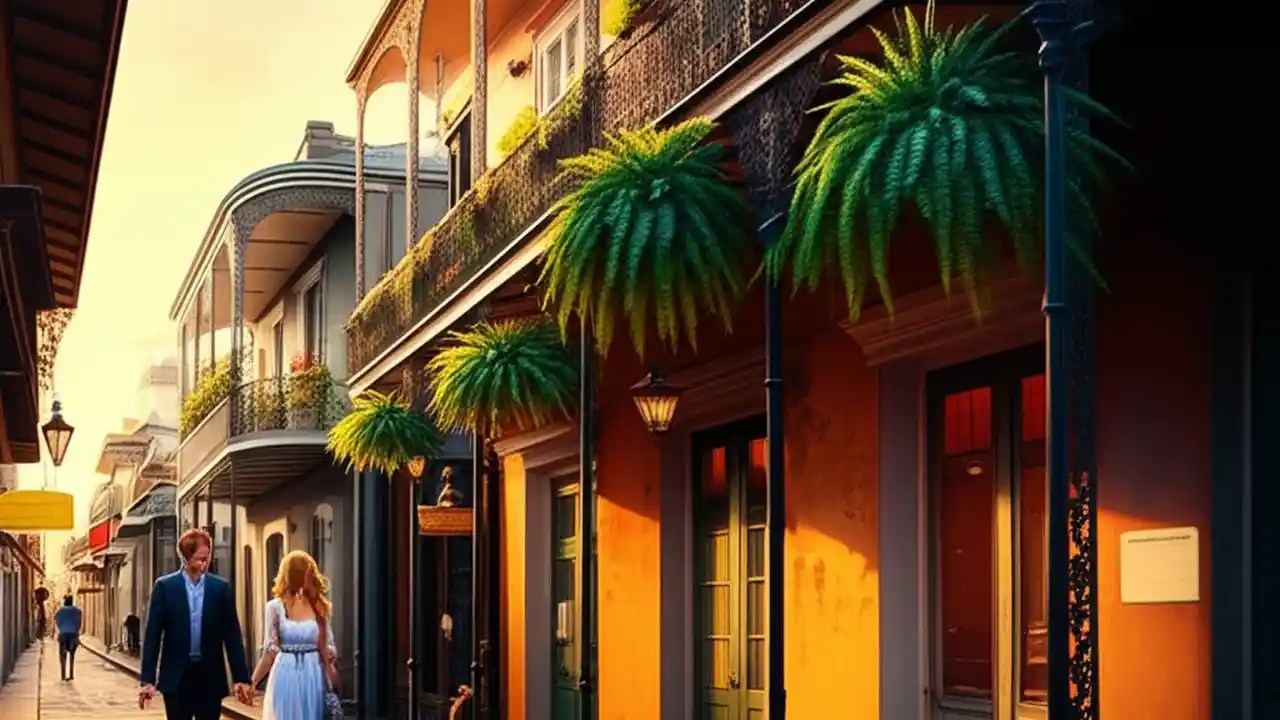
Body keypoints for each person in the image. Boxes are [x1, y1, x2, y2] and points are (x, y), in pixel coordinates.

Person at [138, 528, 254, 719]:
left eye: (207, 557)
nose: (204, 563)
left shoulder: (220, 588)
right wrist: (147, 680)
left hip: (209, 676)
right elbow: (153, 635)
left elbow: (232, 635)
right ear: (185, 557)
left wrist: (241, 678)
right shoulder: (165, 587)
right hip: (177, 677)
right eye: (199, 558)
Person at [250, 550, 340, 720]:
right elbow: (270, 650)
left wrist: (252, 682)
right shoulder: (275, 608)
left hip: (309, 673)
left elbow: (269, 652)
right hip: (293, 673)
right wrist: (252, 683)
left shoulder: (319, 606)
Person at [53, 594, 82, 681]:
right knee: (72, 655)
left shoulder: (60, 611)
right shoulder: (78, 611)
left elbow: (56, 621)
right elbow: (79, 623)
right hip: (73, 634)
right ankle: (71, 674)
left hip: (63, 635)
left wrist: (61, 628)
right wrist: (76, 631)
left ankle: (63, 675)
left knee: (62, 656)